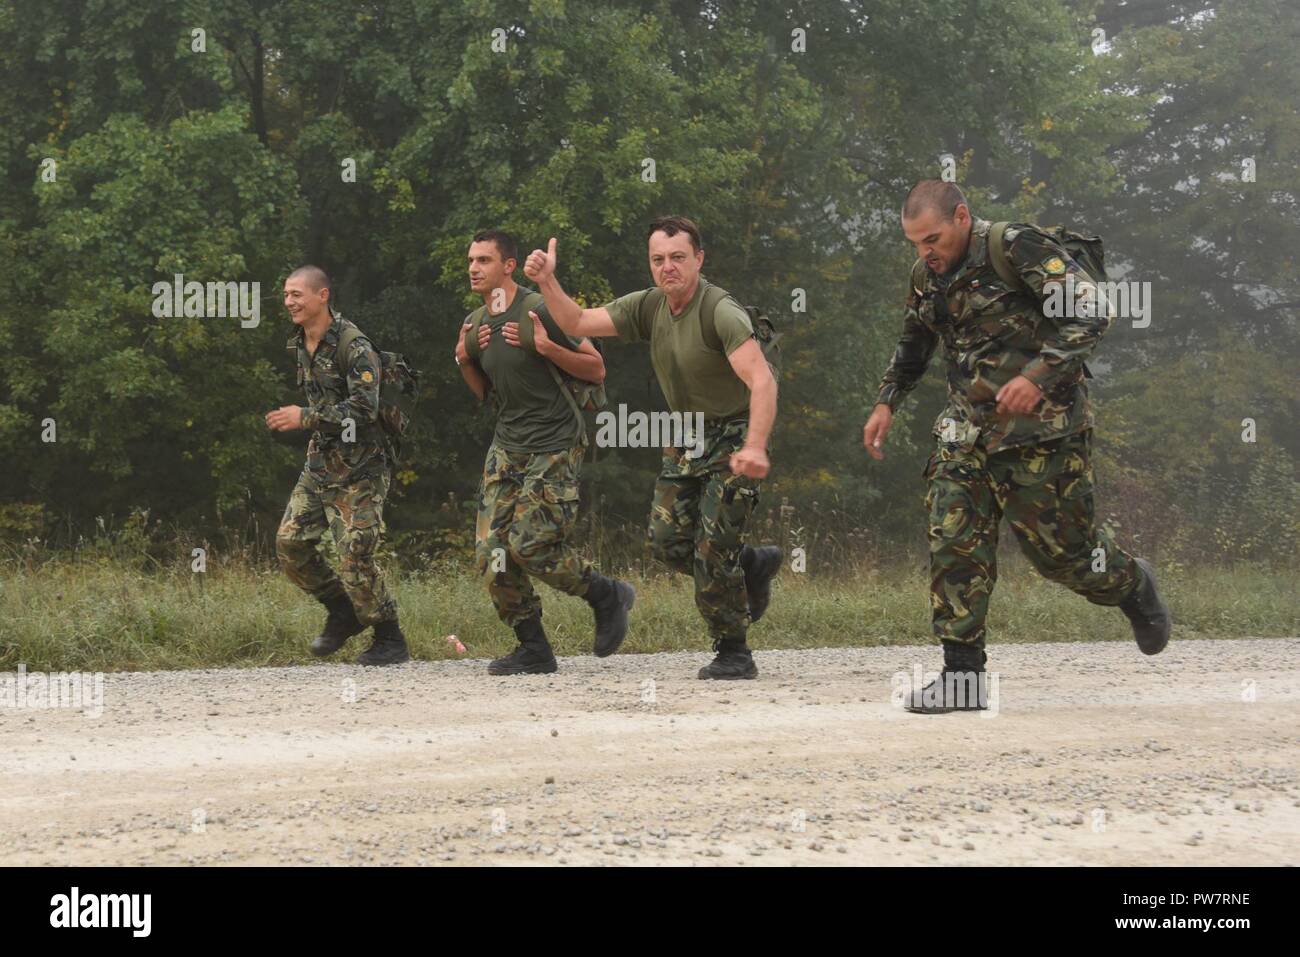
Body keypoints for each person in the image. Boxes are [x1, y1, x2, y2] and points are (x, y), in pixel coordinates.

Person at [863, 181, 1171, 713]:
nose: (925, 252)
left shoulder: (1015, 249)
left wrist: (1037, 375)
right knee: (953, 539)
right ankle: (963, 677)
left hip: (1045, 434)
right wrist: (887, 400)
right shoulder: (927, 276)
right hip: (966, 433)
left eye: (932, 238)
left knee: (1063, 556)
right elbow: (915, 340)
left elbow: (1093, 312)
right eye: (915, 243)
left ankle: (1131, 584)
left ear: (962, 217)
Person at [523, 216, 783, 680]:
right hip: (684, 436)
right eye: (658, 260)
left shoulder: (719, 311)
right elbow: (578, 320)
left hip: (733, 434)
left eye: (678, 258)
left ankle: (733, 650)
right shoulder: (649, 307)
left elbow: (762, 380)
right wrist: (547, 281)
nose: (668, 268)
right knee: (665, 543)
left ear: (699, 259)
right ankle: (751, 563)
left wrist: (756, 446)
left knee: (711, 551)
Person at [456, 230, 635, 675]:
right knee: (491, 554)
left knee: (530, 545)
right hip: (508, 445)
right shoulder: (477, 321)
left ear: (509, 266)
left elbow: (596, 368)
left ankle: (605, 594)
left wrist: (546, 347)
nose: (474, 268)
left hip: (554, 441)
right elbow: (485, 393)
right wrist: (463, 359)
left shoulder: (538, 309)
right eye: (471, 260)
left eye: (484, 260)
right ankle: (533, 648)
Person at [268, 265, 409, 666]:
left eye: (297, 294)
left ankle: (390, 639)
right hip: (321, 464)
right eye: (286, 295)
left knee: (355, 554)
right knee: (290, 544)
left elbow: (365, 409)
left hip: (362, 466)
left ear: (323, 296)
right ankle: (343, 611)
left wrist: (304, 417)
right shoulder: (299, 342)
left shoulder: (354, 344)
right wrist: (310, 423)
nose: (289, 302)